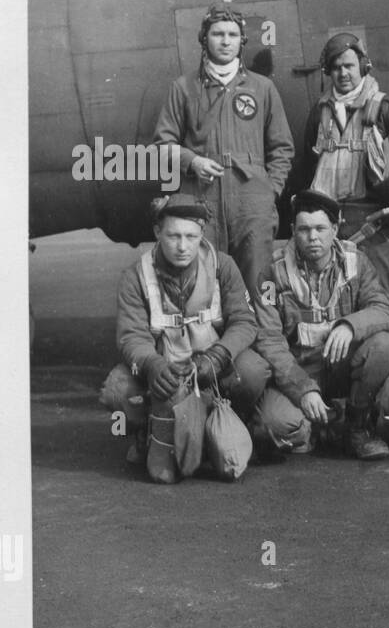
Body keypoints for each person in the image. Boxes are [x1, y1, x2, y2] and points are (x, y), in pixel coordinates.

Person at [99, 194, 269, 465]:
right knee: (117, 389)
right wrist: (152, 364)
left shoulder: (222, 266)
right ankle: (149, 432)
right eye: (173, 236)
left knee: (253, 371)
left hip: (212, 366)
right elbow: (131, 335)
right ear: (157, 232)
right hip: (165, 371)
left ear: (202, 233)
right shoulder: (135, 275)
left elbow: (244, 322)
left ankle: (230, 423)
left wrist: (217, 356)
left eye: (191, 236)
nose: (182, 246)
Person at [151, 0, 294, 300]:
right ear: (205, 38)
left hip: (251, 201)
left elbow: (282, 148)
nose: (225, 41)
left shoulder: (262, 88)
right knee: (205, 283)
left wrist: (270, 192)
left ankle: (264, 343)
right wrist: (193, 162)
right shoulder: (183, 88)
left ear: (241, 41)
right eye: (217, 34)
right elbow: (162, 146)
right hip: (202, 199)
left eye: (231, 35)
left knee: (259, 283)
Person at [250, 190, 389, 460]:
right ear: (293, 230)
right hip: (300, 367)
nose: (313, 237)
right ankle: (321, 422)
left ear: (335, 228)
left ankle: (357, 425)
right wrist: (303, 389)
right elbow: (269, 340)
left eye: (320, 228)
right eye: (304, 229)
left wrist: (349, 326)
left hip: (342, 364)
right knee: (275, 426)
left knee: (385, 345)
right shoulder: (272, 273)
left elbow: (383, 310)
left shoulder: (357, 263)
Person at [287, 32, 389, 301]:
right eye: (337, 67)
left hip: (374, 222)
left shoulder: (388, 108)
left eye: (349, 66)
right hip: (329, 222)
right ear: (328, 71)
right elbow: (308, 167)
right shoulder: (320, 113)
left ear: (363, 66)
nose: (343, 73)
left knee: (384, 294)